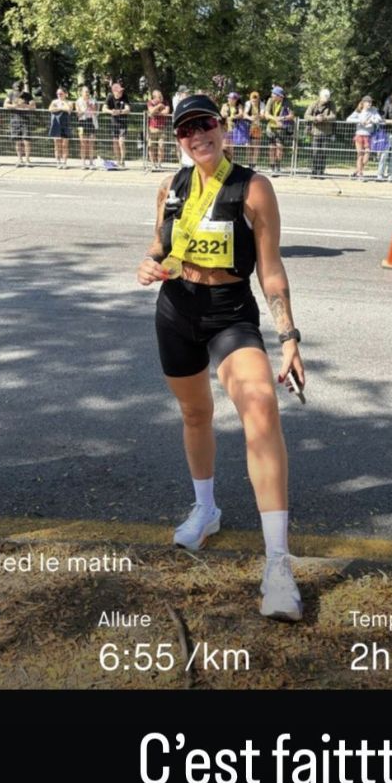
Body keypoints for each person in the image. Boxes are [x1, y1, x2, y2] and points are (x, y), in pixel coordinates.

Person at [136, 95, 306, 621]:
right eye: (185, 129)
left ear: (222, 127)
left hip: (230, 313)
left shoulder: (253, 187)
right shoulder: (171, 187)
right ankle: (206, 509)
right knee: (194, 413)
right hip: (177, 310)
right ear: (178, 139)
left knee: (260, 407)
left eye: (205, 124)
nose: (196, 136)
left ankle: (278, 564)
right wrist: (149, 264)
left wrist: (290, 337)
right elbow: (159, 246)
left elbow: (270, 270)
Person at [346, 95, 381, 180]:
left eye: (370, 102)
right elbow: (348, 119)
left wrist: (371, 120)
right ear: (363, 102)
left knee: (367, 154)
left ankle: (357, 171)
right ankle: (360, 173)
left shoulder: (374, 110)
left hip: (369, 135)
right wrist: (360, 121)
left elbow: (379, 119)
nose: (369, 103)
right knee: (360, 155)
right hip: (359, 135)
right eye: (368, 102)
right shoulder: (358, 111)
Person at [304, 88, 337, 177]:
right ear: (320, 97)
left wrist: (324, 118)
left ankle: (321, 171)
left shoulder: (331, 105)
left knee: (324, 152)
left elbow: (333, 116)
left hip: (327, 133)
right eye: (324, 98)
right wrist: (315, 118)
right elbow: (306, 115)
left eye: (327, 98)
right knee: (315, 152)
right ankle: (314, 170)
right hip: (315, 132)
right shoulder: (314, 104)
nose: (326, 100)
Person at [264, 85, 293, 178]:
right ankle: (272, 166)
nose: (272, 95)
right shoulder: (270, 100)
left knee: (279, 147)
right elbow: (266, 114)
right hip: (271, 127)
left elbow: (291, 115)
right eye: (272, 94)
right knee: (271, 147)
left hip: (281, 128)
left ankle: (278, 166)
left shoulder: (287, 102)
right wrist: (276, 119)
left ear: (279, 96)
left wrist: (282, 118)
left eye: (274, 94)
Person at [6, 81, 35, 166]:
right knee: (17, 141)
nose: (17, 93)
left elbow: (33, 106)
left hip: (26, 121)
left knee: (27, 141)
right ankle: (19, 159)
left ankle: (27, 159)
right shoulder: (11, 94)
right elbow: (5, 104)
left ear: (22, 89)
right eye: (16, 91)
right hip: (15, 120)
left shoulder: (27, 95)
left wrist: (24, 106)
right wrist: (14, 106)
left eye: (19, 91)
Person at [104, 80, 131, 169]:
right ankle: (118, 160)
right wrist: (111, 111)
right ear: (114, 91)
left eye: (122, 91)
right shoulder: (110, 96)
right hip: (113, 123)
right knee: (115, 142)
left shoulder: (124, 96)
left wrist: (120, 111)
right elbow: (103, 109)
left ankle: (123, 161)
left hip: (122, 123)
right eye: (119, 91)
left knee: (121, 142)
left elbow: (128, 109)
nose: (121, 92)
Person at [47, 86, 73, 168]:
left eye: (61, 94)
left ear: (65, 94)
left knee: (65, 145)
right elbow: (50, 109)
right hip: (56, 125)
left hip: (65, 125)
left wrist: (62, 103)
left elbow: (69, 109)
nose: (59, 95)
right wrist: (61, 108)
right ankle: (58, 162)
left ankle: (64, 162)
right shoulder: (54, 101)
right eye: (57, 94)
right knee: (57, 144)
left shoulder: (69, 102)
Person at [75, 84, 99, 168]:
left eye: (88, 92)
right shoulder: (78, 101)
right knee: (83, 143)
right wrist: (85, 109)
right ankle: (83, 163)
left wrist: (90, 107)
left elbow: (96, 112)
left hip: (91, 122)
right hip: (81, 122)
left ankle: (91, 162)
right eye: (85, 92)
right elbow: (78, 114)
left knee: (91, 143)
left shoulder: (93, 100)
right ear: (81, 92)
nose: (87, 93)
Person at [146, 88, 170, 170]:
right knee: (151, 146)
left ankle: (159, 164)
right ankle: (153, 164)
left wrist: (156, 112)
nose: (160, 98)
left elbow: (166, 112)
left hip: (162, 128)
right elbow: (151, 111)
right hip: (152, 128)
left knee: (161, 146)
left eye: (161, 96)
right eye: (158, 97)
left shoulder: (166, 102)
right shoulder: (150, 102)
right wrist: (159, 106)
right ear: (154, 97)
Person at [245, 90, 263, 170]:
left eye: (256, 100)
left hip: (257, 127)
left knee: (256, 146)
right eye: (253, 100)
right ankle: (249, 164)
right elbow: (244, 114)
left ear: (258, 99)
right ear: (250, 99)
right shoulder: (248, 104)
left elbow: (263, 115)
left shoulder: (261, 104)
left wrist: (258, 116)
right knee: (248, 146)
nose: (254, 102)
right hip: (248, 126)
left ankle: (254, 164)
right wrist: (250, 118)